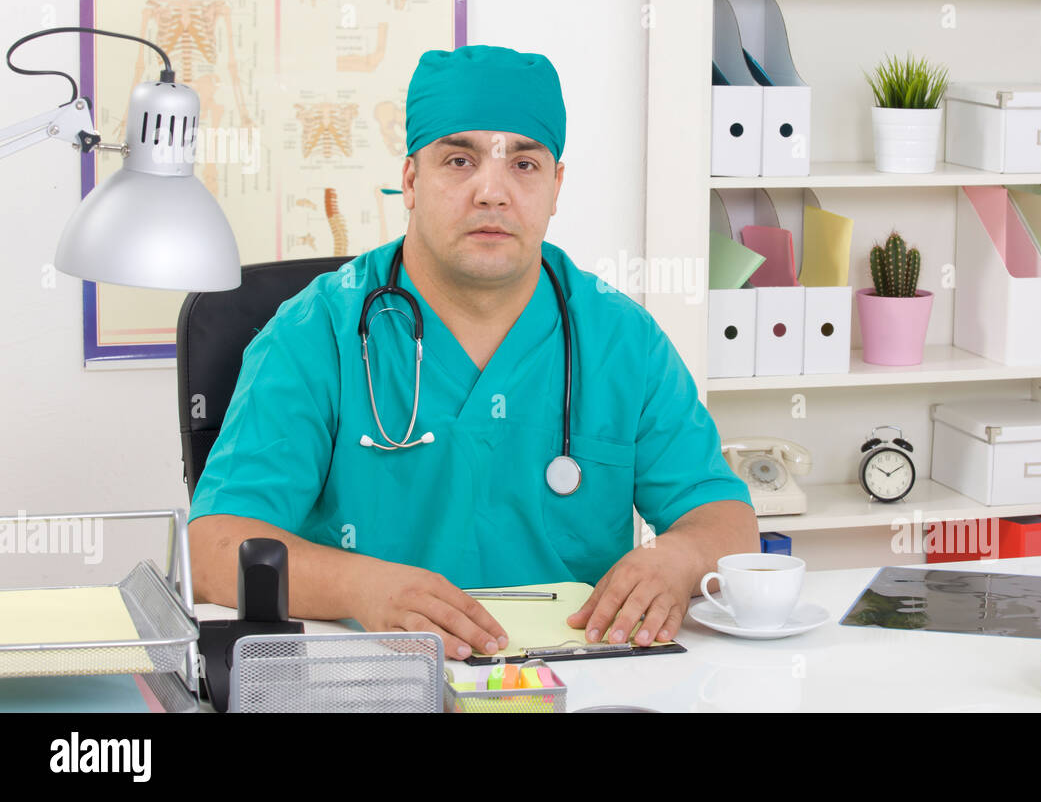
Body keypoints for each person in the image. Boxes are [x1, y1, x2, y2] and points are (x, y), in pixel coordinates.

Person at [188, 45, 758, 659]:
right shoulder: (314, 334)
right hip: (376, 678)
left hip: (575, 680)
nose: (493, 192)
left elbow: (726, 520)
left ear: (555, 186)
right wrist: (362, 589)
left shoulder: (622, 339)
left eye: (524, 164)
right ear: (410, 180)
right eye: (459, 160)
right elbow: (216, 548)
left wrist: (678, 557)